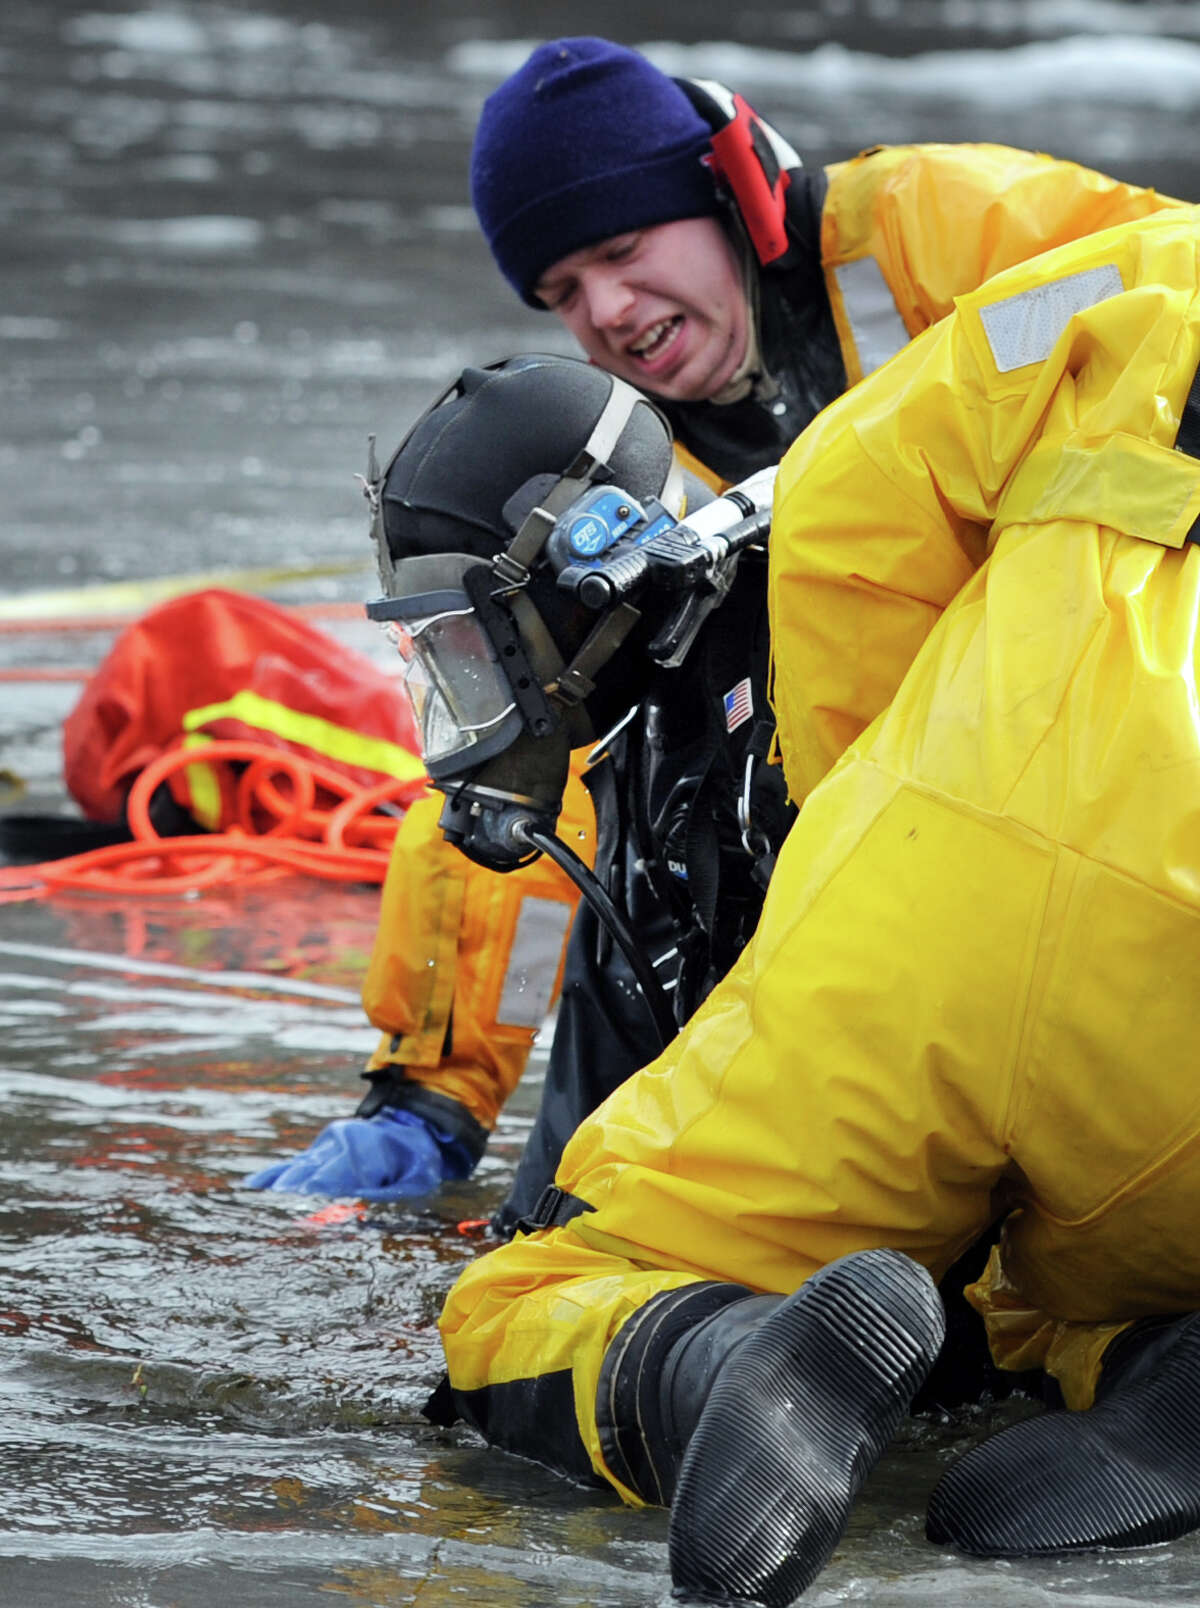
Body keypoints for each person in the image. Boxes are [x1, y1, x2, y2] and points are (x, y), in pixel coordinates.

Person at [249, 35, 1184, 1212]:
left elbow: (1174, 288)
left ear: (727, 191)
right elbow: (532, 785)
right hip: (889, 859)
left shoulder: (935, 229)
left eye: (622, 249)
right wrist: (435, 1093)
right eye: (560, 294)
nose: (607, 311)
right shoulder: (629, 487)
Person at [423, 204, 1200, 1605]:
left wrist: (424, 1096)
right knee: (1085, 1255)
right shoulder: (1106, 268)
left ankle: (714, 1368)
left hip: (940, 925)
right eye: (565, 288)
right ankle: (1166, 1353)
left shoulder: (1051, 312)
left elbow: (860, 505)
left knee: (529, 1302)